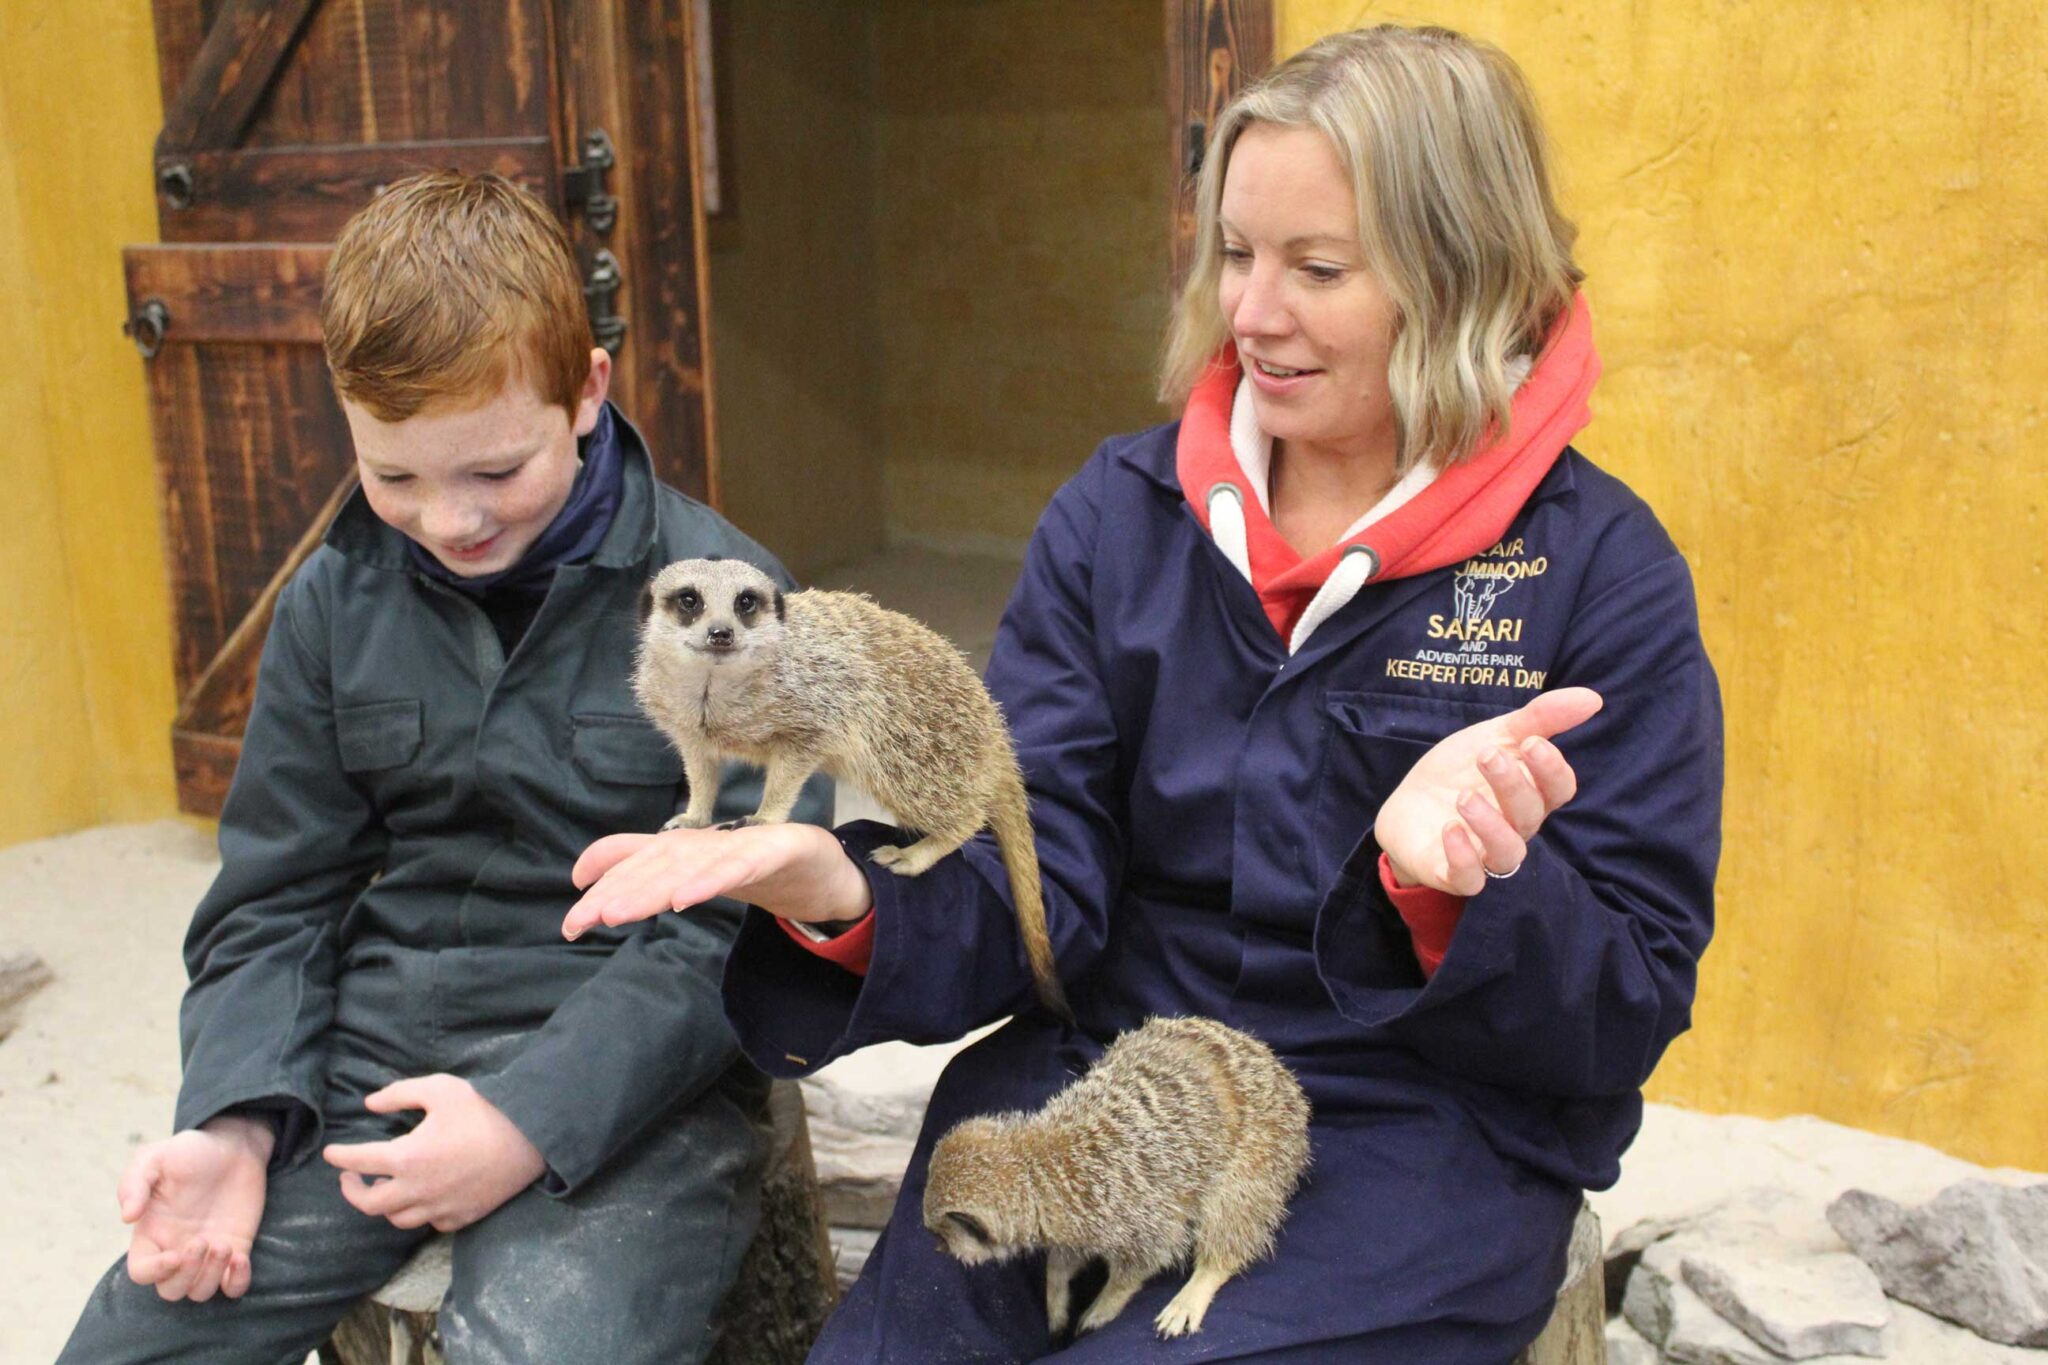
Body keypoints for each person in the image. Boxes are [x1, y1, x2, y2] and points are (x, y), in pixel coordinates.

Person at [565, 24, 1721, 1363]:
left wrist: (1452, 891)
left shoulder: (1596, 570)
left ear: (1463, 274)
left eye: (1317, 268)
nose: (1252, 312)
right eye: (1234, 253)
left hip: (1405, 1144)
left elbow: (1626, 1002)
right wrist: (846, 896)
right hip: (1095, 1088)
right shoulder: (1117, 516)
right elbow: (1039, 871)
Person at [60, 171, 828, 1365]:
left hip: (636, 1081)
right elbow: (273, 898)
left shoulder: (732, 606)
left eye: (494, 472)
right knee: (139, 1336)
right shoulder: (328, 604)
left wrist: (529, 1119)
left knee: (546, 1345)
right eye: (395, 477)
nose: (450, 521)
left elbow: (738, 930)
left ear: (585, 392)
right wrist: (234, 1120)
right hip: (381, 1048)